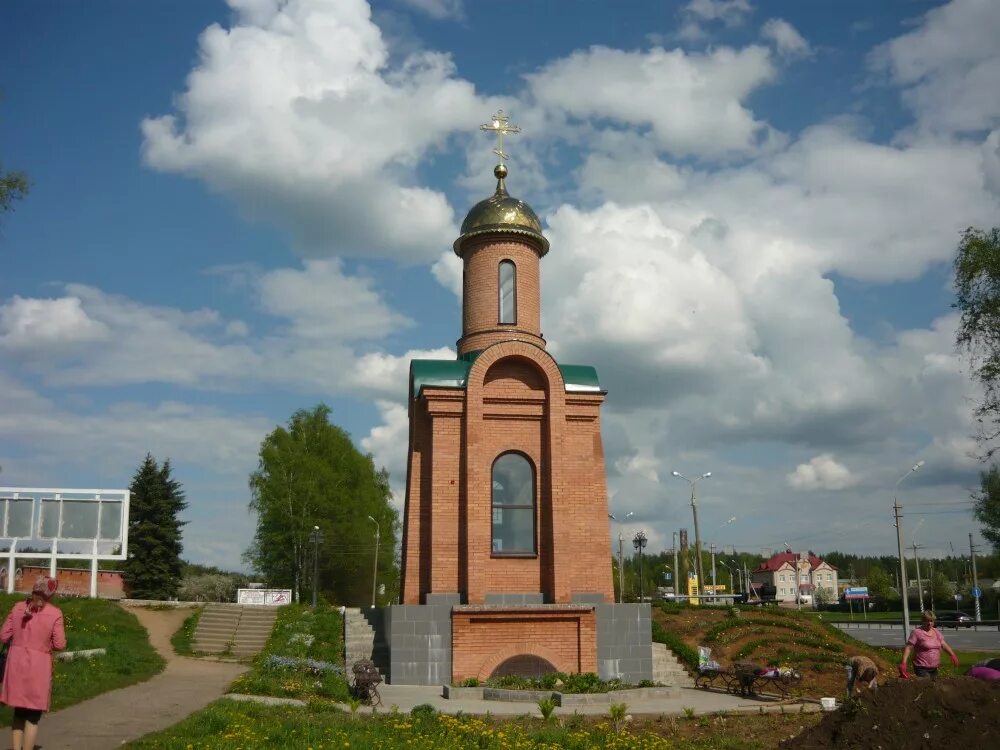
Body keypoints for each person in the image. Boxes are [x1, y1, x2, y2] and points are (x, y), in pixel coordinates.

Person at [1, 576, 66, 750]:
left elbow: (3, 636)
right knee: (32, 717)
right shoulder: (55, 613)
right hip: (38, 668)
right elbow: (60, 644)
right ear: (50, 594)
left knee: (18, 713)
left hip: (16, 665)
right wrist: (45, 644)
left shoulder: (17, 607)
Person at [899, 610, 957, 679]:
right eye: (927, 621)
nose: (929, 623)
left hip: (934, 668)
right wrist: (903, 663)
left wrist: (952, 654)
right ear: (923, 621)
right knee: (926, 682)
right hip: (921, 667)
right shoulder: (917, 632)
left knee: (934, 684)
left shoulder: (936, 632)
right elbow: (909, 648)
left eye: (931, 621)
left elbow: (944, 645)